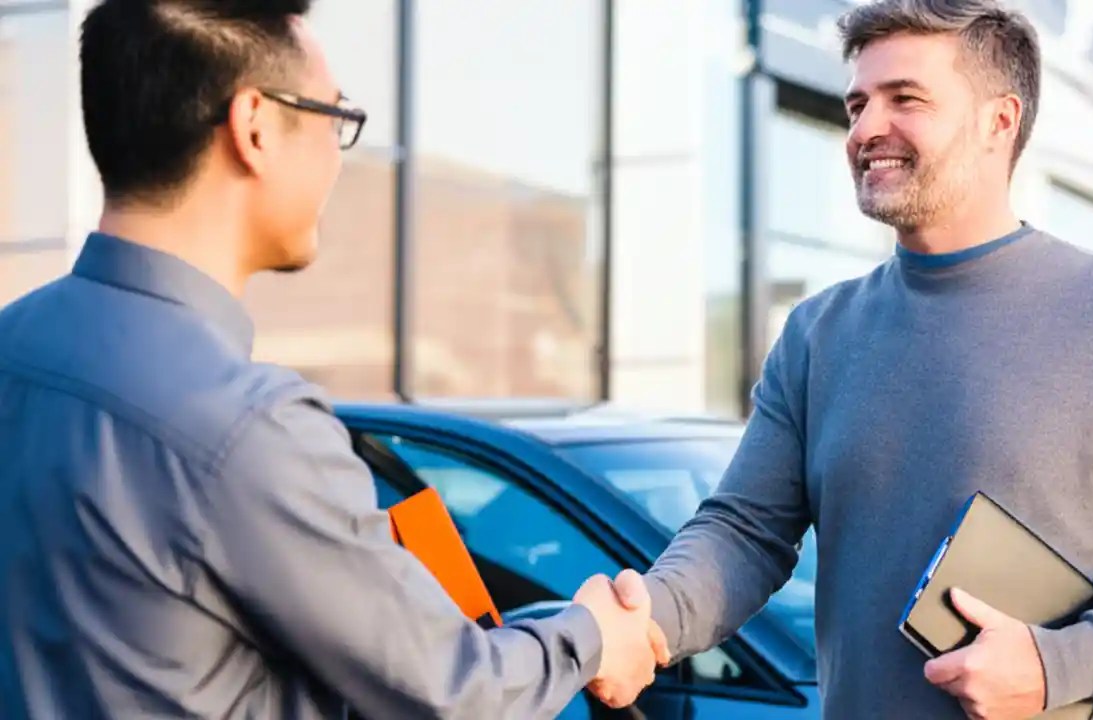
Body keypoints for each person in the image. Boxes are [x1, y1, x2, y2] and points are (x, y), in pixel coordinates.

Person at [0, 0, 664, 717]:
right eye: (334, 118)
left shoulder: (14, 349)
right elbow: (456, 693)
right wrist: (590, 635)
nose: (336, 157)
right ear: (253, 126)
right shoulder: (249, 426)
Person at [625, 1, 1093, 718]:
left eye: (905, 99)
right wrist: (641, 619)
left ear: (1000, 120)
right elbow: (742, 534)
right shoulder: (818, 333)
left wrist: (1059, 663)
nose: (866, 129)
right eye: (857, 103)